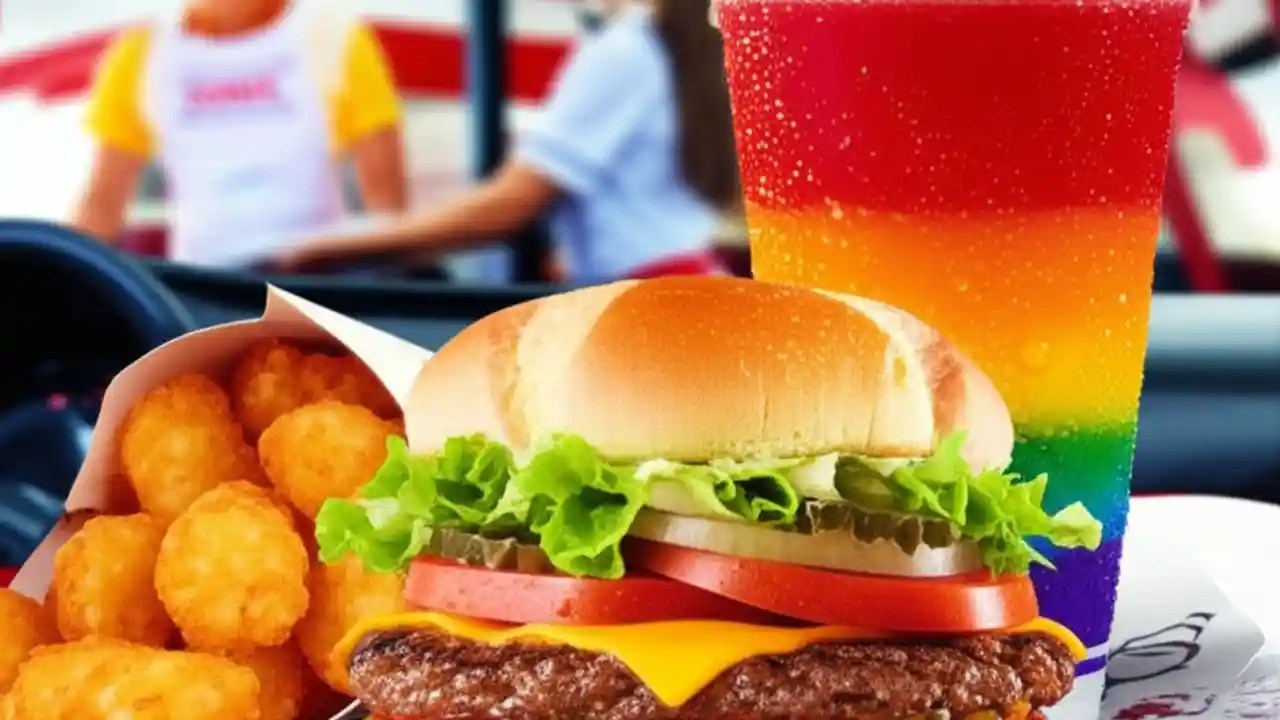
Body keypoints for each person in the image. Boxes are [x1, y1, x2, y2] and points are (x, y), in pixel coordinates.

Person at [281, 0, 740, 283]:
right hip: (691, 285)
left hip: (651, 300)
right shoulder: (675, 48)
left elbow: (508, 206)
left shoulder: (622, 52)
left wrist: (331, 248)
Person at [72, 0, 408, 269]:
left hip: (318, 290)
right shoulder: (142, 53)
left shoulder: (334, 35)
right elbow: (101, 209)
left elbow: (387, 210)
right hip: (203, 295)